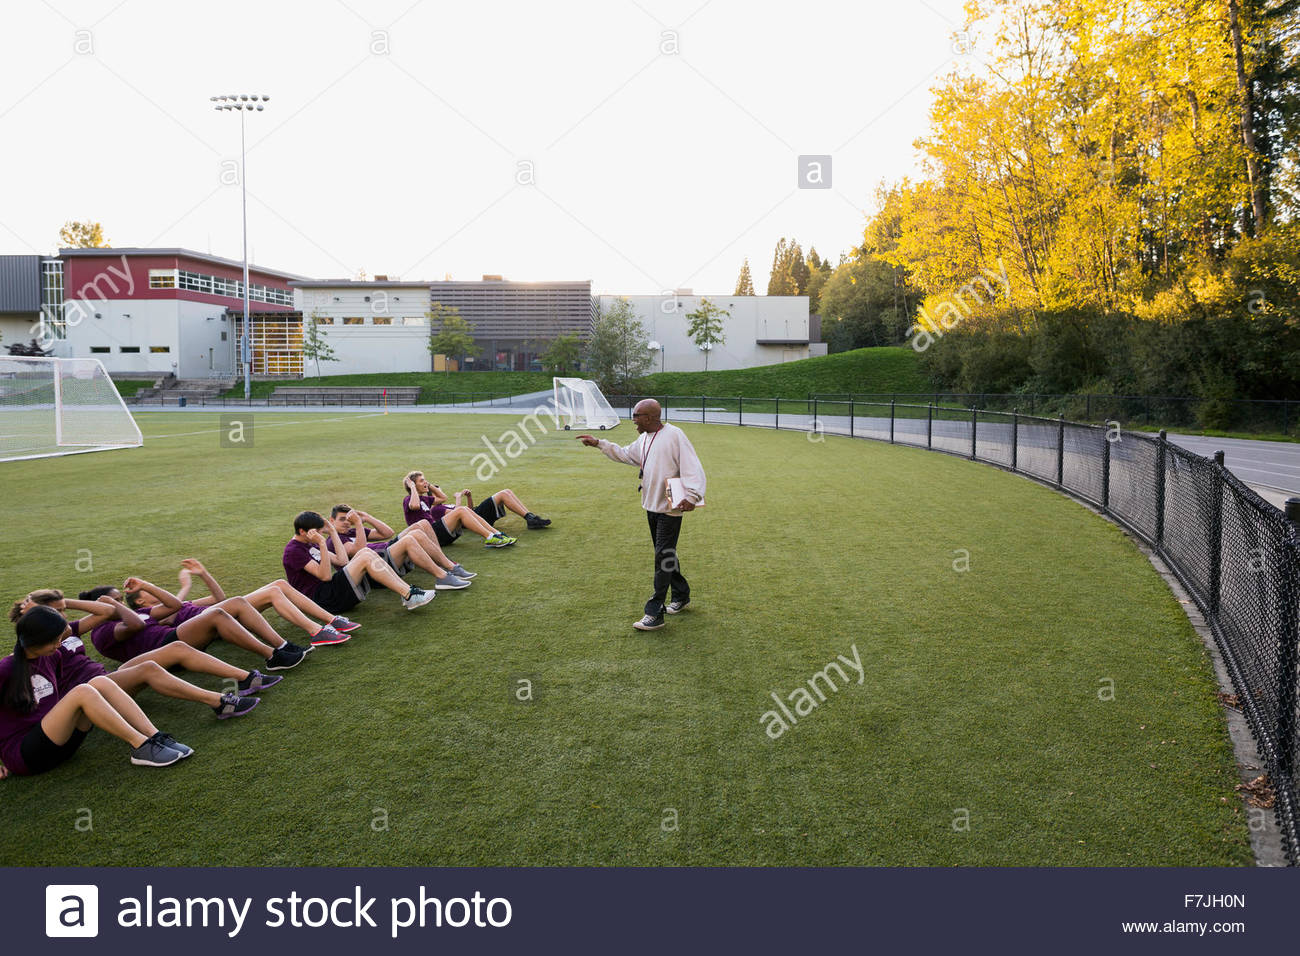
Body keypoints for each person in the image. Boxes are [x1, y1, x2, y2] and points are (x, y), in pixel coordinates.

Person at [0, 606, 194, 773]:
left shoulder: (53, 656)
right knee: (82, 691)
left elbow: (67, 630)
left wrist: (51, 610)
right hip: (26, 755)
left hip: (60, 743)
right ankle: (140, 746)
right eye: (54, 640)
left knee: (99, 682)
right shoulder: (5, 669)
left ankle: (154, 736)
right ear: (36, 640)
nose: (59, 644)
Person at [579, 398, 706, 631]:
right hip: (651, 505)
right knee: (665, 554)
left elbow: (692, 466)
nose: (633, 419)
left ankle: (655, 612)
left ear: (650, 417)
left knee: (662, 556)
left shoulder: (675, 435)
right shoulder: (644, 438)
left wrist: (693, 495)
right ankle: (681, 594)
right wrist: (598, 443)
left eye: (637, 415)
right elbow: (626, 454)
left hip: (671, 508)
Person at [10, 590, 281, 698]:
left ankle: (247, 679)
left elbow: (105, 612)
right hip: (92, 689)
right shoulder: (40, 644)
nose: (64, 617)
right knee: (155, 662)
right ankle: (222, 699)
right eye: (57, 613)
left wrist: (64, 602)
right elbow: (118, 618)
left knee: (178, 648)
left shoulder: (67, 631)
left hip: (106, 676)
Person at [79, 579, 309, 672]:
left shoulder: (139, 612)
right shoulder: (102, 631)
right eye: (116, 600)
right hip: (164, 652)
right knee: (218, 613)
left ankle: (281, 646)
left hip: (177, 639)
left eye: (120, 600)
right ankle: (272, 656)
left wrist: (146, 584)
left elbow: (174, 604)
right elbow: (134, 626)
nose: (120, 603)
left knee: (236, 603)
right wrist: (115, 607)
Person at [139, 559, 355, 648]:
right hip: (211, 624)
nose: (156, 593)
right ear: (140, 601)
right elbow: (171, 613)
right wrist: (184, 586)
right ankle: (316, 631)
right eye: (148, 592)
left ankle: (332, 620)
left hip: (221, 612)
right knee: (272, 591)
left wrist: (203, 574)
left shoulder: (177, 604)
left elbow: (217, 598)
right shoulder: (151, 614)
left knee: (279, 584)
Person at [283, 511, 435, 613]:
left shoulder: (309, 542)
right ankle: (409, 595)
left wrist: (332, 531)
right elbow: (325, 576)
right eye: (316, 531)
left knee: (366, 552)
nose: (320, 534)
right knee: (365, 555)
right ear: (302, 531)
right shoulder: (293, 551)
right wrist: (322, 544)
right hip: (322, 598)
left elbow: (341, 560)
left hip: (329, 589)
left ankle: (408, 593)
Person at [326, 505, 471, 590]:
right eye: (342, 519)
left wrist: (367, 517)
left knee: (422, 525)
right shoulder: (334, 541)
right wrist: (357, 524)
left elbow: (387, 533)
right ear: (331, 521)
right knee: (411, 538)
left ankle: (443, 563)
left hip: (385, 551)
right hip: (376, 567)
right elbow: (359, 550)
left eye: (348, 519)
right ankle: (443, 575)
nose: (346, 523)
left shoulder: (351, 531)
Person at [402, 471, 517, 548]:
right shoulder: (408, 499)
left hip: (436, 534)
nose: (425, 482)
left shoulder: (425, 499)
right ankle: (490, 537)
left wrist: (430, 485)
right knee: (461, 510)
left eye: (425, 480)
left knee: (465, 510)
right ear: (413, 484)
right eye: (421, 481)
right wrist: (412, 487)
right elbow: (415, 506)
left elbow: (443, 497)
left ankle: (496, 534)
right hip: (429, 536)